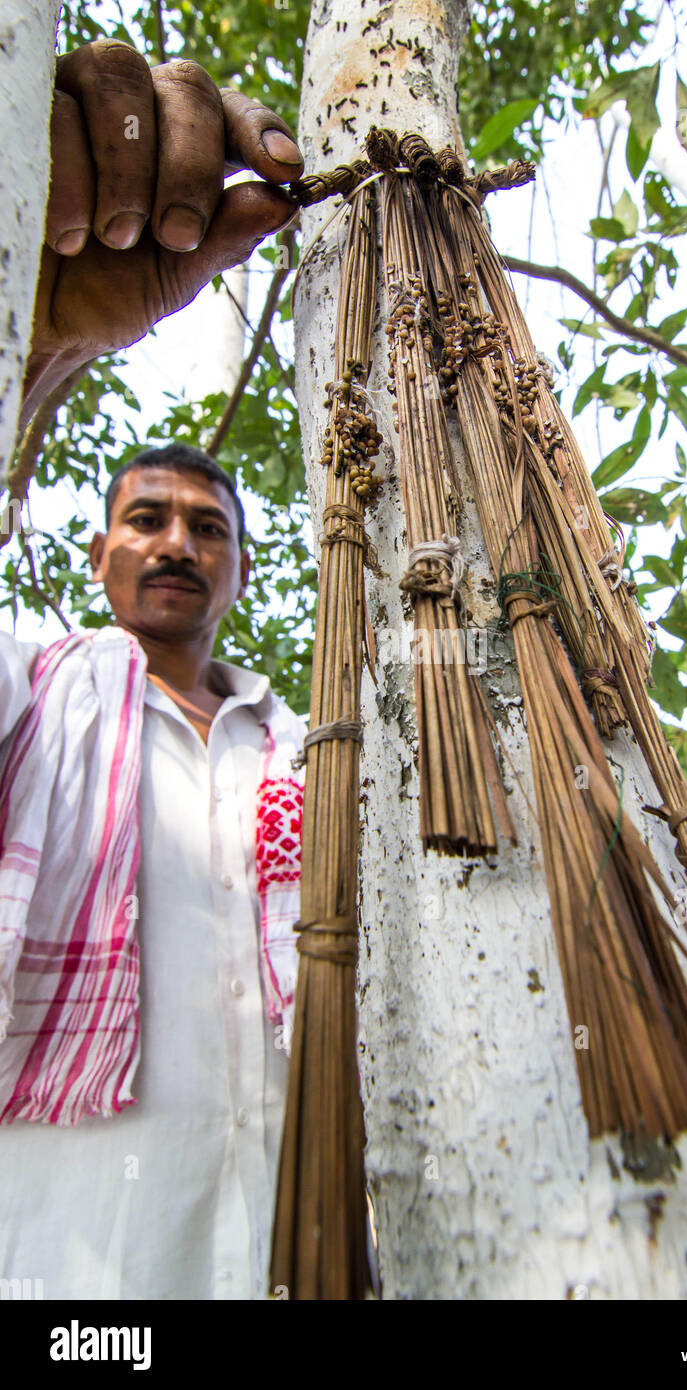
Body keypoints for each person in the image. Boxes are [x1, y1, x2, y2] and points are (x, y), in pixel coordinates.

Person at [0, 39, 312, 1300]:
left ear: (240, 568)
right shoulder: (33, 694)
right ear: (99, 553)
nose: (177, 542)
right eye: (148, 519)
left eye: (208, 526)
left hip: (309, 1241)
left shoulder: (303, 745)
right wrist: (30, 355)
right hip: (76, 1262)